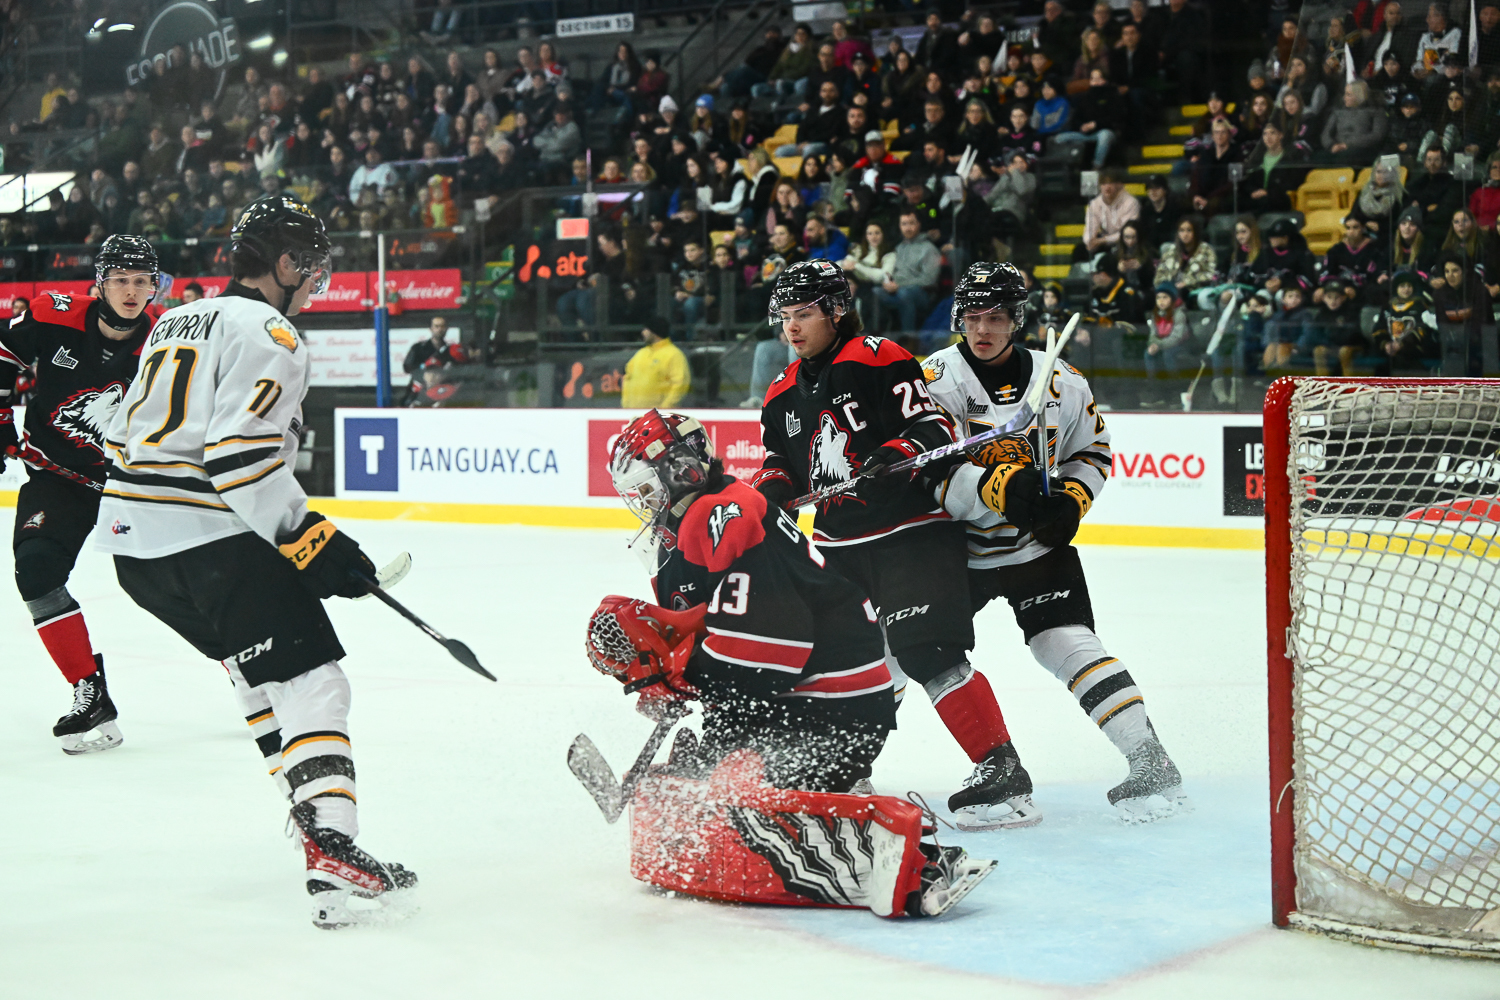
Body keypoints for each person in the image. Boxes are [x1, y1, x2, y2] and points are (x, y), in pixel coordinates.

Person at [94, 195, 416, 929]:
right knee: (314, 681)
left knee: (257, 676)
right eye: (312, 267)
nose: (316, 283)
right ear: (285, 261)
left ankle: (316, 835)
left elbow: (122, 435)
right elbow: (238, 456)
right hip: (205, 537)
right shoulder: (269, 329)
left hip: (134, 551)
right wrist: (308, 535)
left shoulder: (176, 319)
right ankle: (330, 844)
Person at [595, 409, 994, 918]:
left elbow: (767, 656)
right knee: (689, 790)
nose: (643, 503)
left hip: (831, 710)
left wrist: (676, 672)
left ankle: (918, 856)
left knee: (727, 795)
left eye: (645, 486)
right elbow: (724, 635)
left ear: (676, 470)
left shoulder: (723, 520)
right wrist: (662, 661)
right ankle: (793, 785)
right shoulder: (705, 527)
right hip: (798, 703)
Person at [752, 259, 1041, 831]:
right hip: (838, 543)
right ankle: (841, 770)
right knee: (841, 664)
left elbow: (936, 429)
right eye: (785, 316)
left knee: (925, 649)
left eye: (803, 314)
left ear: (836, 311)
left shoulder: (877, 356)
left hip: (911, 533)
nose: (792, 327)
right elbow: (778, 467)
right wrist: (770, 498)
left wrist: (895, 454)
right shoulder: (781, 391)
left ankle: (1003, 773)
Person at [921, 263, 1185, 818]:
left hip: (1035, 549)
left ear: (1016, 320)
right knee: (901, 651)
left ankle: (1150, 758)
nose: (982, 329)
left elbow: (1090, 452)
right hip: (953, 551)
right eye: (971, 318)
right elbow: (926, 470)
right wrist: (993, 493)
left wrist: (1071, 502)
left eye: (994, 317)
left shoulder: (1061, 381)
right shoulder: (933, 380)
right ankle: (846, 767)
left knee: (1063, 642)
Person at [0, 236, 162, 754]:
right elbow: (2, 351)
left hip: (133, 484)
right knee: (37, 569)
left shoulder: (167, 340)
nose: (131, 291)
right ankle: (89, 691)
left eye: (141, 281)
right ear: (100, 283)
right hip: (60, 477)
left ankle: (243, 670)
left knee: (176, 586)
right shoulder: (53, 313)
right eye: (121, 280)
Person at [877, 210, 941, 341]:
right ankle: (875, 338)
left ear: (919, 225)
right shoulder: (899, 247)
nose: (908, 227)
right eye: (904, 224)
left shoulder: (929, 248)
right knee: (875, 292)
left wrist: (899, 285)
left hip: (923, 294)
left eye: (911, 223)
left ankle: (909, 339)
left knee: (905, 293)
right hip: (897, 289)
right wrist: (887, 283)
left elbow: (929, 279)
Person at [1373, 269, 1440, 372]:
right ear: (1396, 288)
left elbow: (1422, 330)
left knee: (1402, 359)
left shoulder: (1419, 305)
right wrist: (1386, 344)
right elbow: (1379, 328)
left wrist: (1402, 344)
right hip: (1390, 349)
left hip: (1413, 349)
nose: (1406, 289)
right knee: (1381, 361)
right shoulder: (1388, 307)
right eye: (1402, 286)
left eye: (1409, 286)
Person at [621, 316, 689, 407]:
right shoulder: (641, 353)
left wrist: (665, 408)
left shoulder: (674, 355)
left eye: (646, 329)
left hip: (658, 418)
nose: (643, 332)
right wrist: (626, 404)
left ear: (655, 332)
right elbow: (627, 378)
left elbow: (680, 384)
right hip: (635, 415)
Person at [401, 315, 467, 404]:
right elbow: (407, 367)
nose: (440, 329)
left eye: (442, 326)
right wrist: (423, 367)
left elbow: (459, 371)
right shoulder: (418, 348)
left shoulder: (451, 350)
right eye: (436, 326)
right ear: (431, 328)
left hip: (444, 393)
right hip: (420, 392)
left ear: (447, 328)